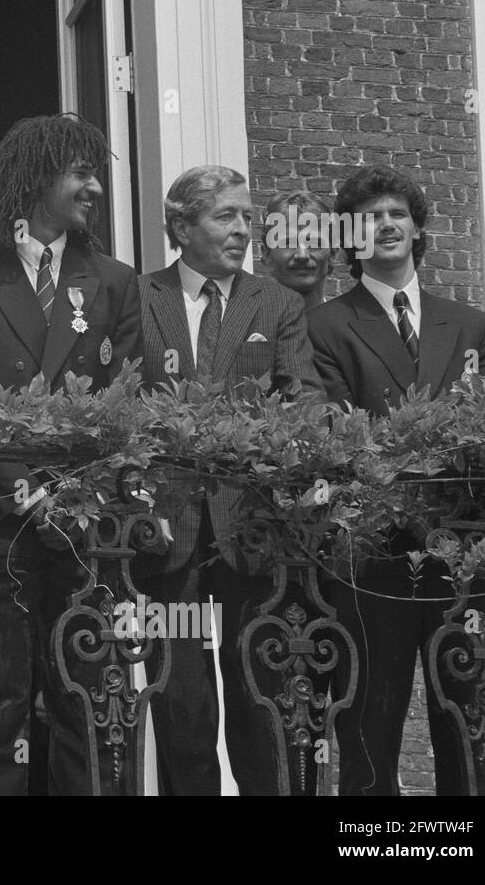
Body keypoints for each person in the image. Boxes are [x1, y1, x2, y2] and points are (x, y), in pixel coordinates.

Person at [0, 113, 143, 796]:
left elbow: (130, 401)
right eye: (79, 172)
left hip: (84, 524)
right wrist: (24, 484)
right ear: (35, 179)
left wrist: (79, 491)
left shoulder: (114, 281)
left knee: (82, 698)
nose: (95, 185)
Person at [307, 165, 485, 795]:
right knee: (368, 727)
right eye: (369, 217)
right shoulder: (325, 327)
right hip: (372, 557)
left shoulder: (472, 326)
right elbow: (338, 432)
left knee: (469, 723)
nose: (385, 225)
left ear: (418, 228)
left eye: (397, 213)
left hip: (461, 553)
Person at [136, 164, 320, 795]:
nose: (245, 229)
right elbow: (121, 406)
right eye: (227, 216)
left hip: (252, 536)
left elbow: (304, 402)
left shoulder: (277, 303)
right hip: (167, 539)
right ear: (182, 225)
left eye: (248, 216)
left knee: (258, 697)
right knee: (181, 705)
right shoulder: (139, 297)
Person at [262, 189, 335, 310]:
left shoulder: (351, 327)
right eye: (288, 243)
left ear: (333, 253)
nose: (302, 255)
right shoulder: (245, 326)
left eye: (314, 243)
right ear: (266, 253)